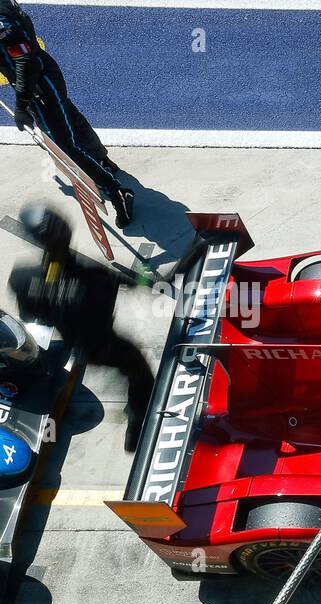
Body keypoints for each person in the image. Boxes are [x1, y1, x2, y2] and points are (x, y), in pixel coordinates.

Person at [7, 204, 153, 451]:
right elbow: (135, 283)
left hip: (77, 344)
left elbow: (32, 316)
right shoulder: (97, 277)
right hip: (106, 345)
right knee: (141, 373)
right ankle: (137, 427)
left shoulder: (22, 279)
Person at [0, 0, 134, 226]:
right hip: (43, 75)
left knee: (65, 145)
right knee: (72, 119)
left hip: (39, 86)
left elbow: (25, 61)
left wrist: (22, 106)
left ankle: (118, 192)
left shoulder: (3, 24)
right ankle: (102, 160)